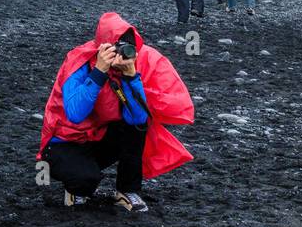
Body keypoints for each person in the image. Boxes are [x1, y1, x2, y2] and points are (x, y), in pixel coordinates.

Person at [38, 12, 195, 211]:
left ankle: (127, 191)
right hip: (64, 142)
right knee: (86, 180)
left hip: (98, 137)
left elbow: (137, 119)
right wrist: (99, 72)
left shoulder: (133, 65)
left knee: (137, 125)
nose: (122, 54)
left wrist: (131, 77)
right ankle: (76, 186)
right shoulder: (80, 61)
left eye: (128, 49)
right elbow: (75, 114)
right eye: (117, 47)